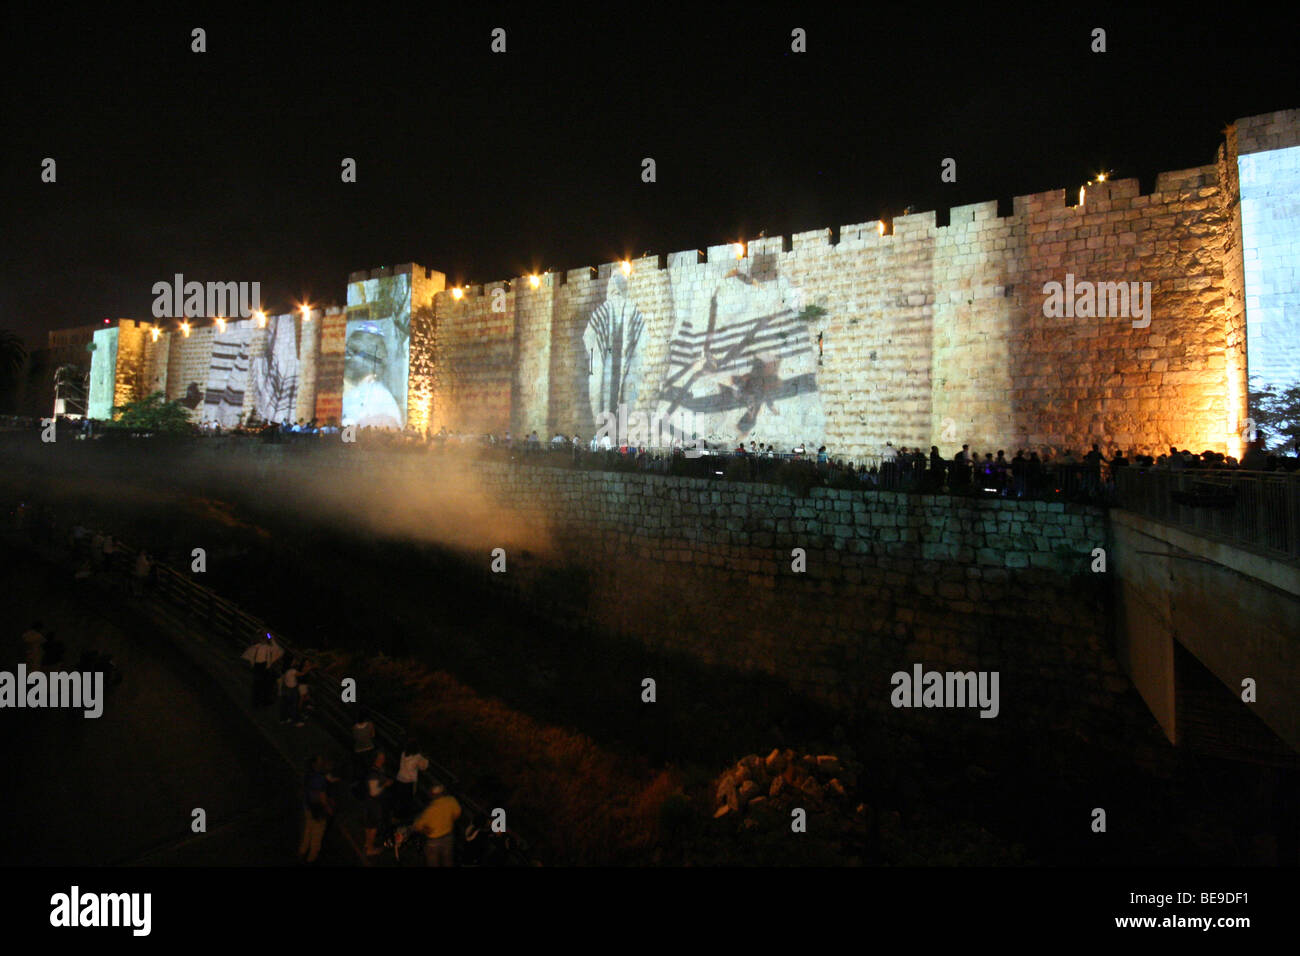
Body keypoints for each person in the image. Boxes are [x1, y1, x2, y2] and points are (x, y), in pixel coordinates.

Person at [299, 755, 337, 864]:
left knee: (308, 831)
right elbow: (322, 797)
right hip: (318, 811)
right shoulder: (320, 779)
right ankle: (311, 858)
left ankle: (302, 852)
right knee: (317, 836)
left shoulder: (308, 775)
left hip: (308, 807)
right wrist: (329, 808)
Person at [413, 782, 462, 867]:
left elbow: (418, 825)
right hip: (448, 838)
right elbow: (457, 813)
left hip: (433, 841)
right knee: (448, 861)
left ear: (432, 795)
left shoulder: (430, 810)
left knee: (433, 863)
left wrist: (425, 830)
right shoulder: (451, 801)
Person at [363, 751, 394, 856]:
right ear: (376, 759)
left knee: (369, 825)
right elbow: (374, 792)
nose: (383, 760)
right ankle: (370, 849)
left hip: (370, 803)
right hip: (373, 804)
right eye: (381, 758)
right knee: (373, 827)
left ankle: (367, 844)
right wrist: (385, 784)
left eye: (383, 757)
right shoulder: (374, 774)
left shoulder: (379, 769)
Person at [395, 738, 430, 822]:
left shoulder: (404, 754)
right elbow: (423, 767)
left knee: (400, 799)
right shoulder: (417, 757)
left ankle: (398, 816)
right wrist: (426, 759)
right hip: (409, 782)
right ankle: (405, 818)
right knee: (408, 800)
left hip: (400, 779)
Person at [352, 709, 377, 781]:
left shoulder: (354, 727)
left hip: (358, 749)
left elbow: (355, 737)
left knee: (361, 768)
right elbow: (372, 735)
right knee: (369, 767)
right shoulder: (370, 724)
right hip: (368, 747)